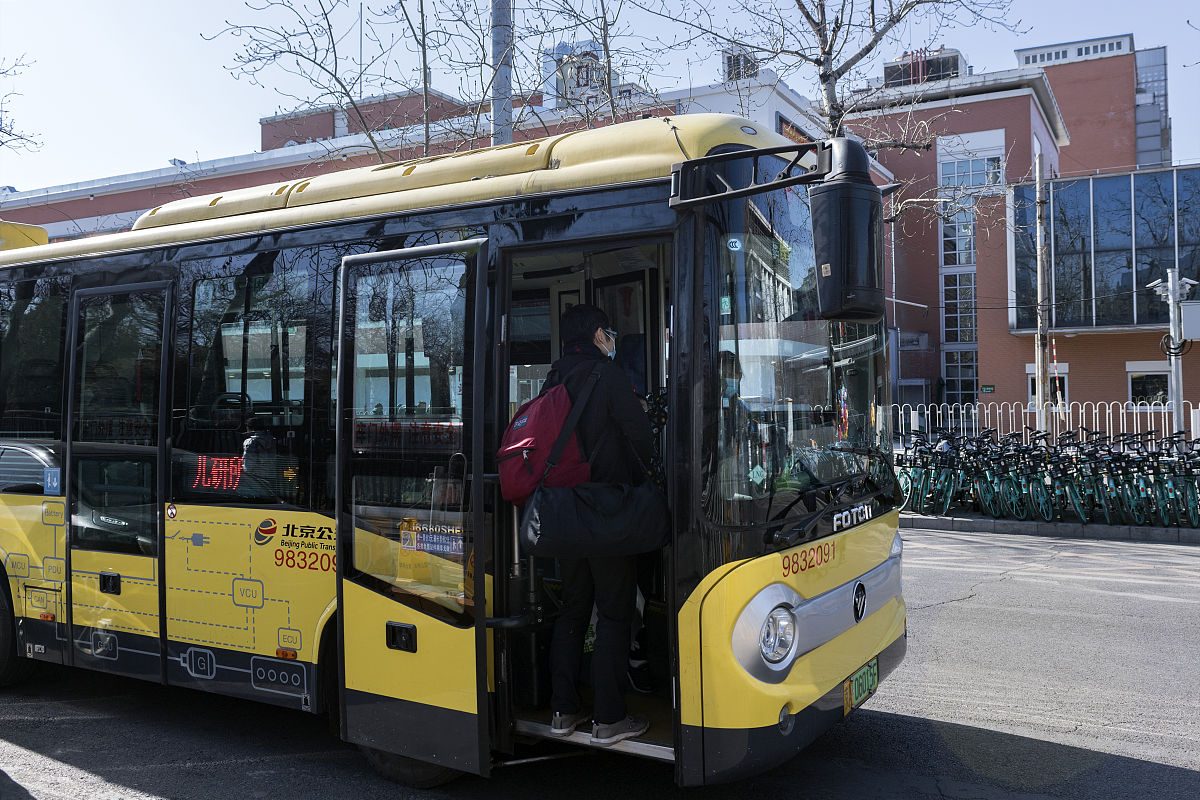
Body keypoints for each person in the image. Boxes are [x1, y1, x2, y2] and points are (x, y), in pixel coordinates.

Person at [546, 303, 655, 747]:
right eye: (608, 331)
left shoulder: (555, 376)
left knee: (573, 608)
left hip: (564, 512)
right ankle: (608, 719)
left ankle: (562, 710)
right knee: (613, 611)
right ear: (596, 335)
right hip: (606, 510)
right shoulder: (608, 377)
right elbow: (641, 439)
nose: (612, 336)